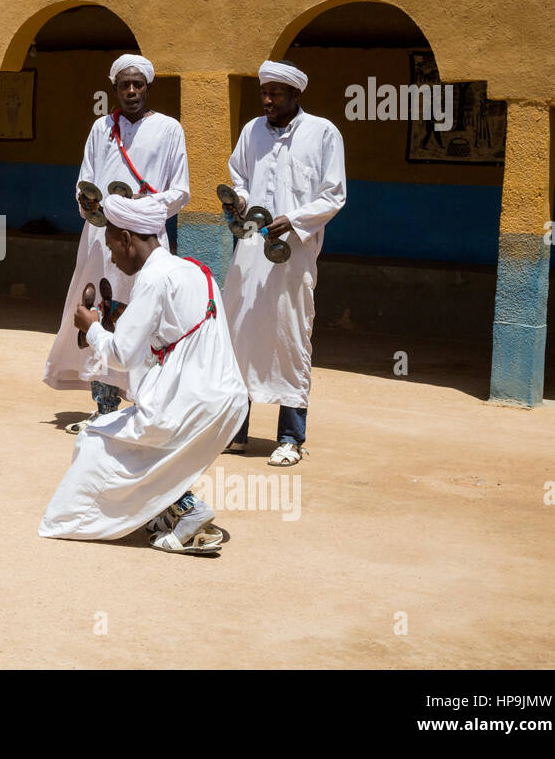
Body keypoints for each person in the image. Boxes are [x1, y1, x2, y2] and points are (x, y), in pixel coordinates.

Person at [38, 194, 248, 554]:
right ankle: (166, 513)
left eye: (112, 248)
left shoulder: (152, 279)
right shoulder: (196, 271)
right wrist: (118, 317)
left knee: (95, 441)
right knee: (147, 456)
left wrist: (90, 327)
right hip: (227, 401)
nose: (113, 259)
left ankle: (188, 511)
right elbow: (170, 332)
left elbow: (121, 355)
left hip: (186, 405)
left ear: (126, 238)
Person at [43, 54, 190, 433]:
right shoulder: (100, 129)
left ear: (147, 87)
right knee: (100, 309)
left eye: (137, 84)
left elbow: (181, 191)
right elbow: (84, 181)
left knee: (145, 317)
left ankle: (146, 406)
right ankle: (104, 407)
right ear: (114, 88)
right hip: (100, 238)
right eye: (124, 84)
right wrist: (89, 202)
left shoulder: (170, 130)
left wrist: (141, 208)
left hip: (143, 240)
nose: (130, 91)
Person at [221, 60, 347, 466]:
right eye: (264, 93)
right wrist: (239, 200)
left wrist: (293, 220)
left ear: (296, 95)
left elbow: (333, 195)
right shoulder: (252, 131)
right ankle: (236, 431)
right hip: (250, 251)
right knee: (239, 334)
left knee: (290, 336)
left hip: (294, 253)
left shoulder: (323, 133)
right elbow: (239, 176)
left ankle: (290, 437)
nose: (268, 100)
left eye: (276, 93)